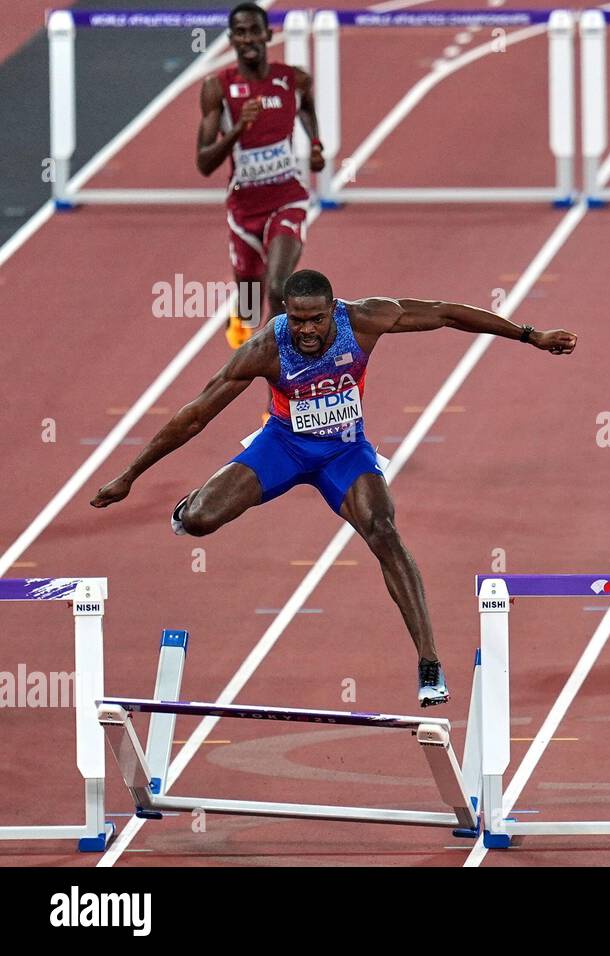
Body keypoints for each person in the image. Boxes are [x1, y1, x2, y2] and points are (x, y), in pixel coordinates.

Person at [91, 269, 578, 706]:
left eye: (316, 320)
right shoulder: (266, 348)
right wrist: (132, 475)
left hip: (345, 452)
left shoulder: (365, 320)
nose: (306, 330)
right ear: (285, 313)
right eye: (297, 319)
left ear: (333, 310)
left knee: (384, 532)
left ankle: (428, 662)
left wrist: (529, 336)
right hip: (283, 446)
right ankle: (192, 504)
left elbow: (448, 314)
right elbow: (196, 414)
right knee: (198, 521)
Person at [198, 3, 325, 349]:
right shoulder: (218, 89)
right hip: (244, 210)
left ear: (268, 34)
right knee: (252, 306)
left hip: (288, 198)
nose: (248, 38)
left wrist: (315, 145)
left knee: (277, 287)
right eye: (240, 32)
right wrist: (239, 128)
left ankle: (279, 388)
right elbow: (204, 163)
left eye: (255, 30)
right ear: (231, 39)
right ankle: (242, 319)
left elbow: (308, 108)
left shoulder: (293, 79)